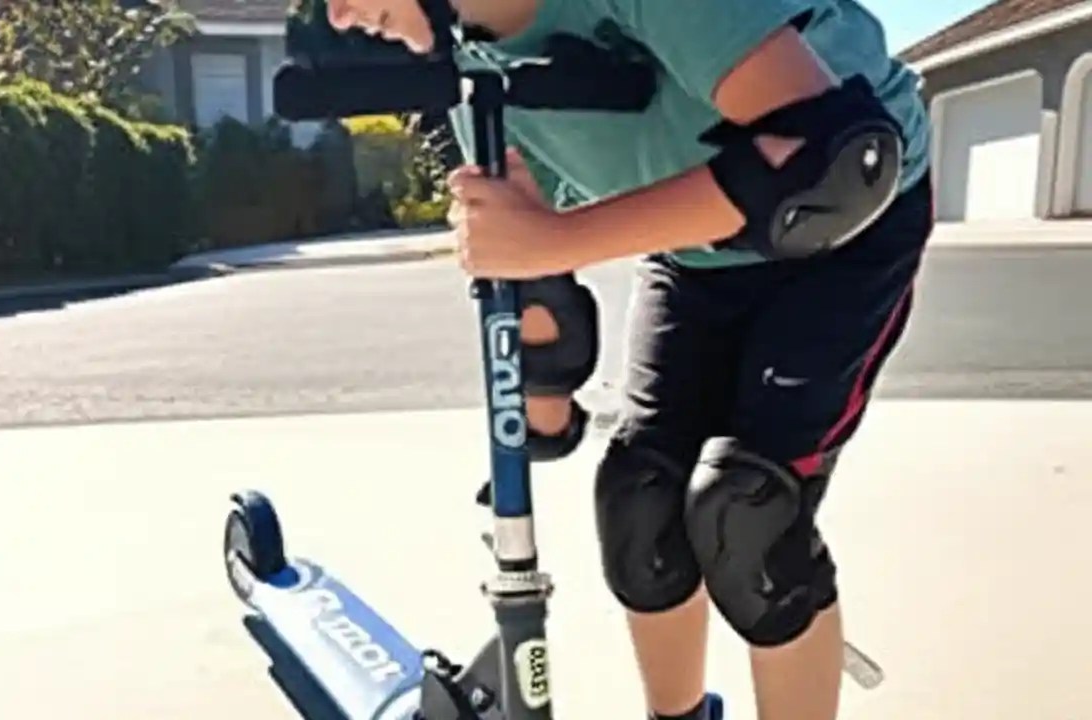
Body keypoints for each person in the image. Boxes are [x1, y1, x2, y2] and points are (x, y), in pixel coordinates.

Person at [326, 1, 932, 718]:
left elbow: (827, 162)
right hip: (701, 253)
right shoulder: (467, 59)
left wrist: (555, 242)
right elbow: (528, 257)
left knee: (749, 518)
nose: (338, 15)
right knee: (639, 498)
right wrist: (541, 394)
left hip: (844, 235)